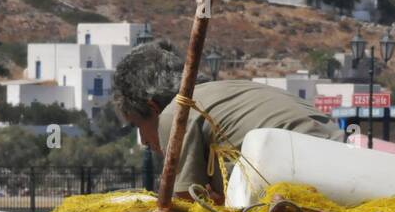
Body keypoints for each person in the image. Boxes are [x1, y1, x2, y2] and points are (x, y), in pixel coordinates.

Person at [111, 40, 344, 199]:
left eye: (137, 126)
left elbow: (186, 208)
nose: (143, 141)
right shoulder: (227, 90)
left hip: (306, 180)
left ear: (153, 108)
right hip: (346, 159)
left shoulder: (176, 113)